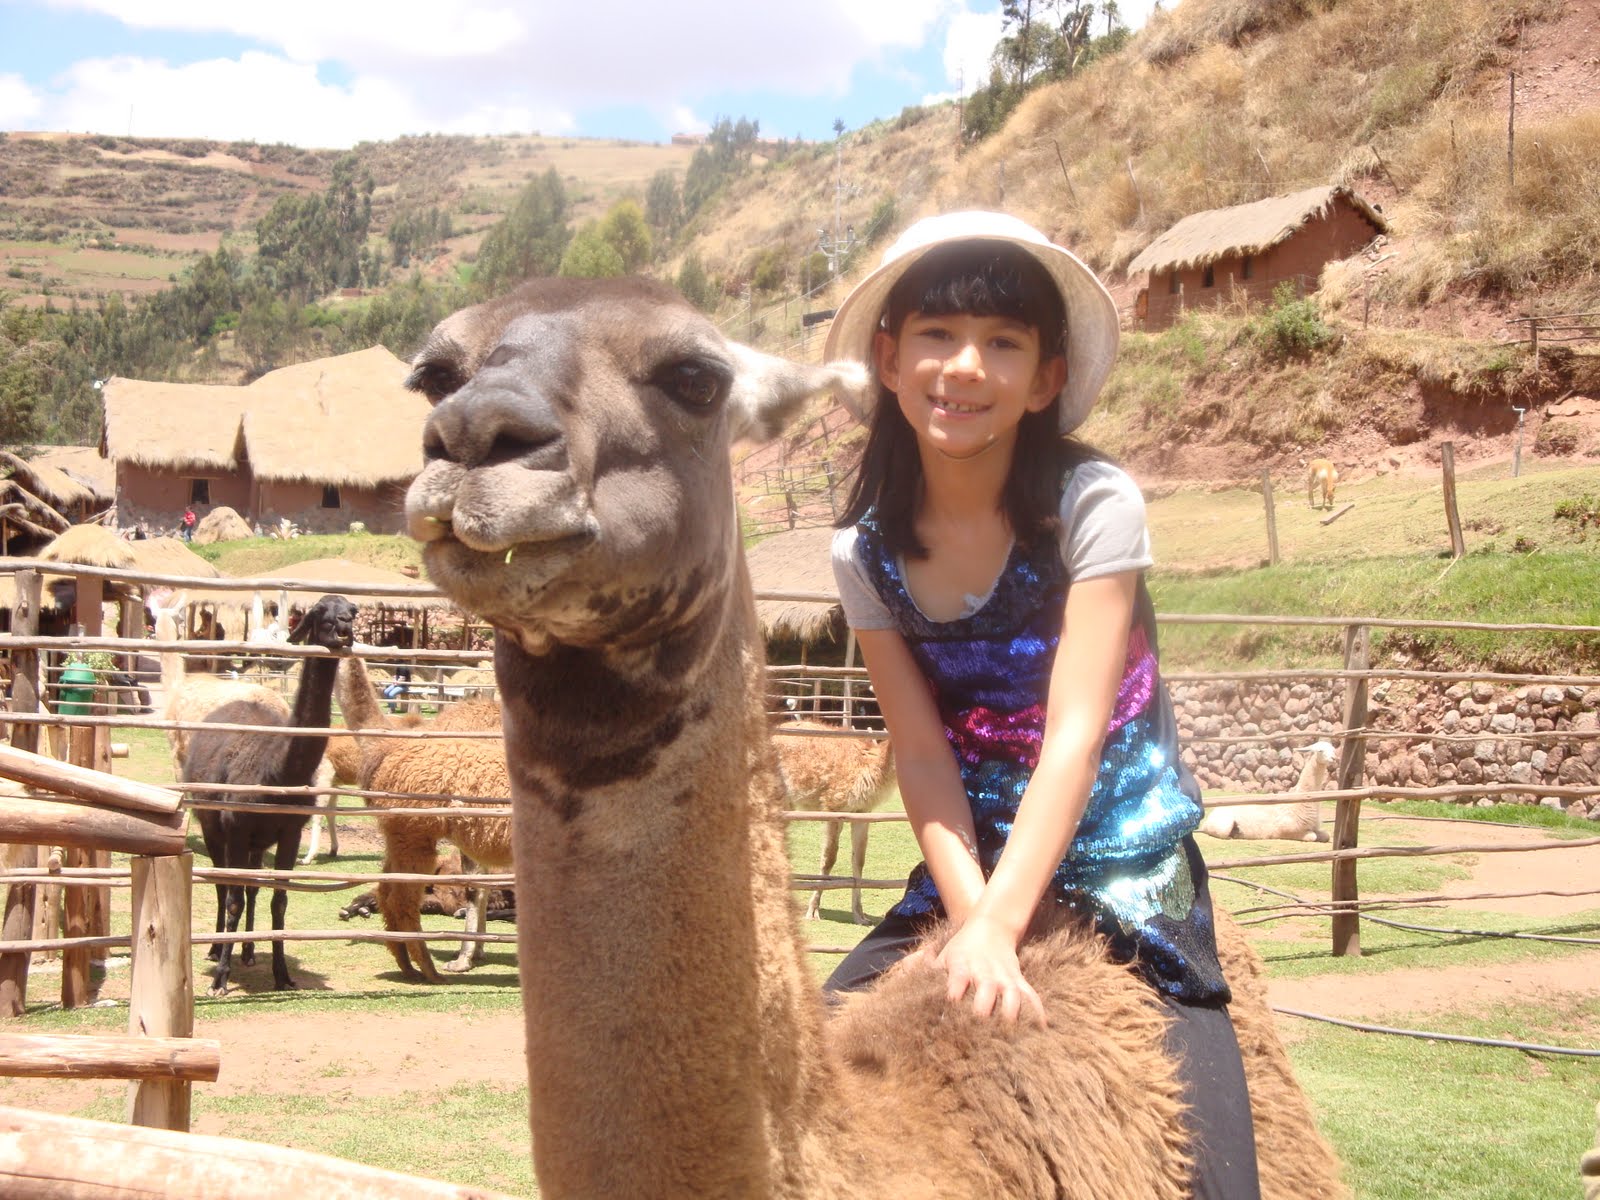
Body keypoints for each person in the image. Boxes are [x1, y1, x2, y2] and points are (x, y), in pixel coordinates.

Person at [823, 211, 1260, 1199]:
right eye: (935, 335)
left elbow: (1074, 731)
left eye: (1002, 343)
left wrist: (999, 927)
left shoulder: (1090, 507)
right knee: (806, 1086)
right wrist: (974, 915)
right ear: (889, 360)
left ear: (1045, 379)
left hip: (1125, 862)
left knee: (1221, 1180)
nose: (964, 367)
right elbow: (924, 757)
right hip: (968, 863)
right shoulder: (862, 554)